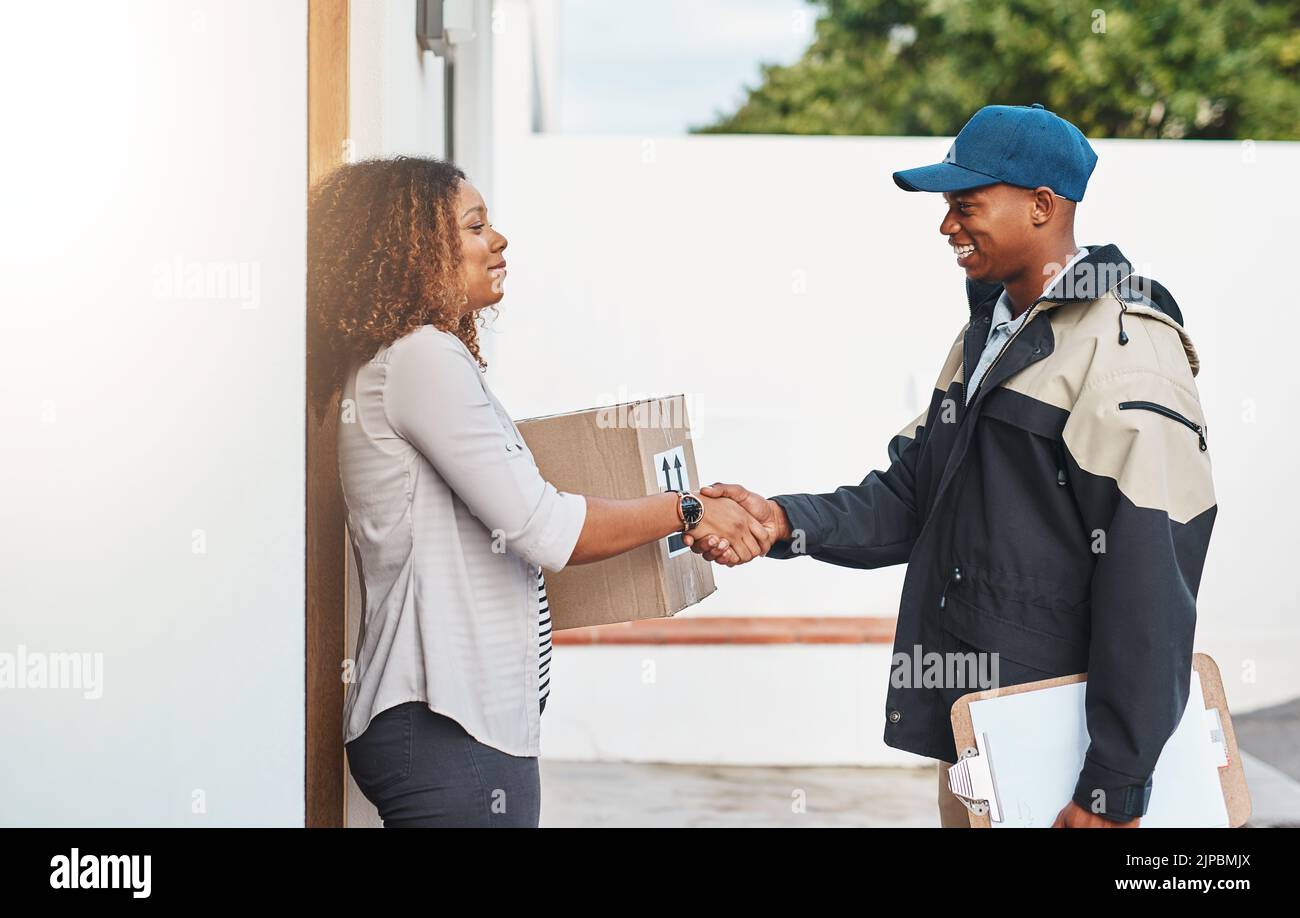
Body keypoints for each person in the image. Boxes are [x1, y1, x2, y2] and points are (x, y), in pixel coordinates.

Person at [685, 104, 1215, 828]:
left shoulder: (1124, 347)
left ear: (1041, 206)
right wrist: (781, 521)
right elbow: (912, 495)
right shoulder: (986, 339)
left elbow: (1152, 567)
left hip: (1064, 761)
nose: (946, 227)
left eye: (966, 205)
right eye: (945, 207)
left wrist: (1114, 784)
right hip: (982, 738)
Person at [308, 156, 765, 827]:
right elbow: (545, 529)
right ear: (413, 248)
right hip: (448, 729)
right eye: (474, 226)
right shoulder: (420, 360)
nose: (499, 241)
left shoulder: (417, 360)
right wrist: (686, 508)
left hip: (458, 729)